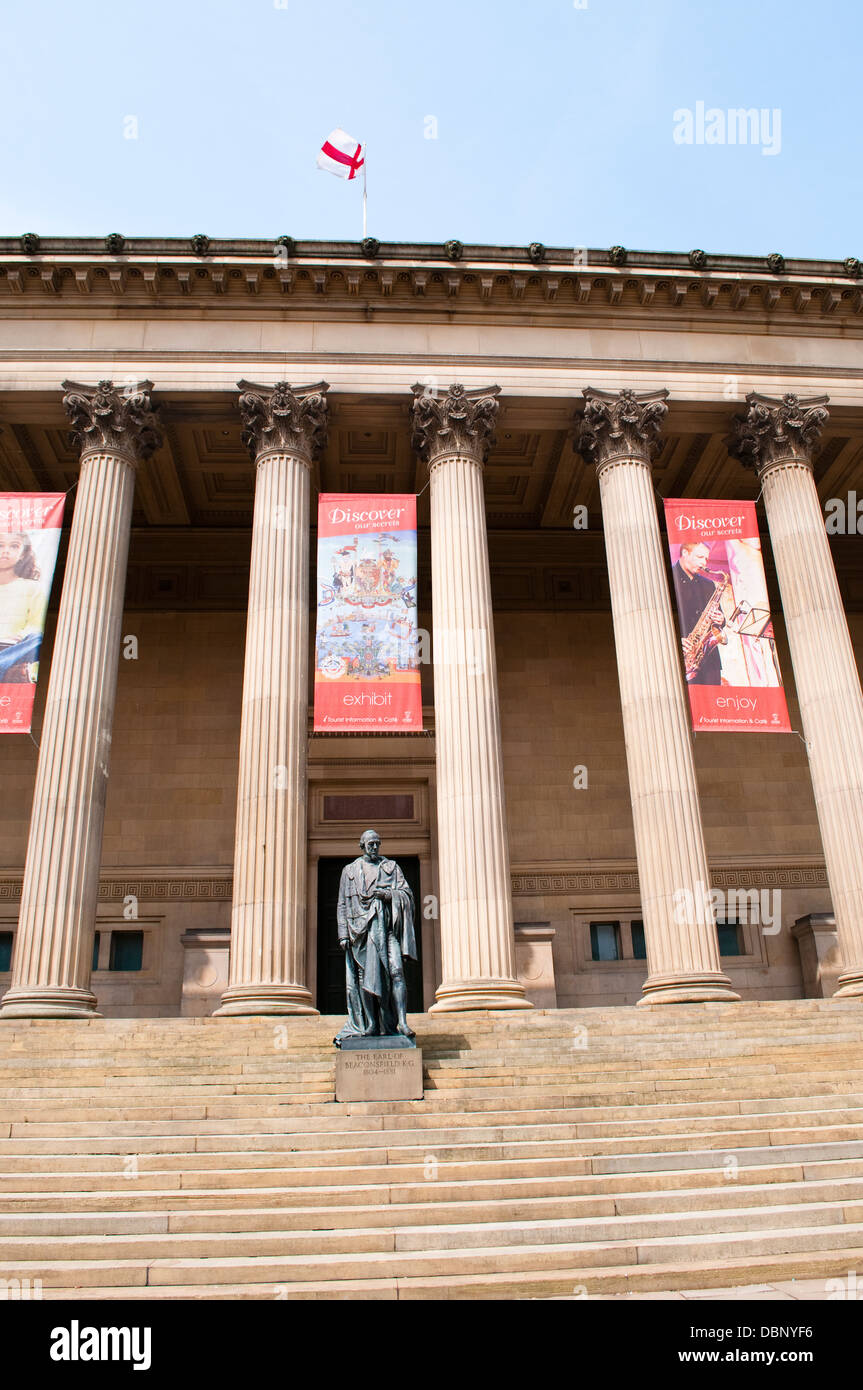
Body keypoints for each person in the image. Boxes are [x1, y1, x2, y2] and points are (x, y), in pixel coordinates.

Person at [334, 829, 417, 1043]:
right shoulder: (350, 871)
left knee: (397, 971)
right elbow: (342, 903)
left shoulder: (391, 868)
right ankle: (370, 1024)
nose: (374, 847)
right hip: (359, 932)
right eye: (370, 844)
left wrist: (389, 895)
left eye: (377, 843)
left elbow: (407, 894)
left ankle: (401, 1021)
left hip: (386, 930)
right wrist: (343, 933)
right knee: (364, 978)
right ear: (361, 846)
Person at [672, 541, 723, 686]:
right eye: (700, 557)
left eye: (706, 559)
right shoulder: (666, 578)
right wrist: (676, 639)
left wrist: (720, 619)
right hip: (681, 657)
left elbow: (720, 617)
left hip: (709, 662)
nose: (704, 563)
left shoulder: (708, 584)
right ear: (685, 554)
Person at [0, 533, 46, 683]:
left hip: (15, 647)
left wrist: (21, 635)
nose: (5, 550)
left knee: (38, 637)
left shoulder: (32, 587)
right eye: (1, 545)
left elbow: (36, 622)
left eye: (14, 546)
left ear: (22, 555)